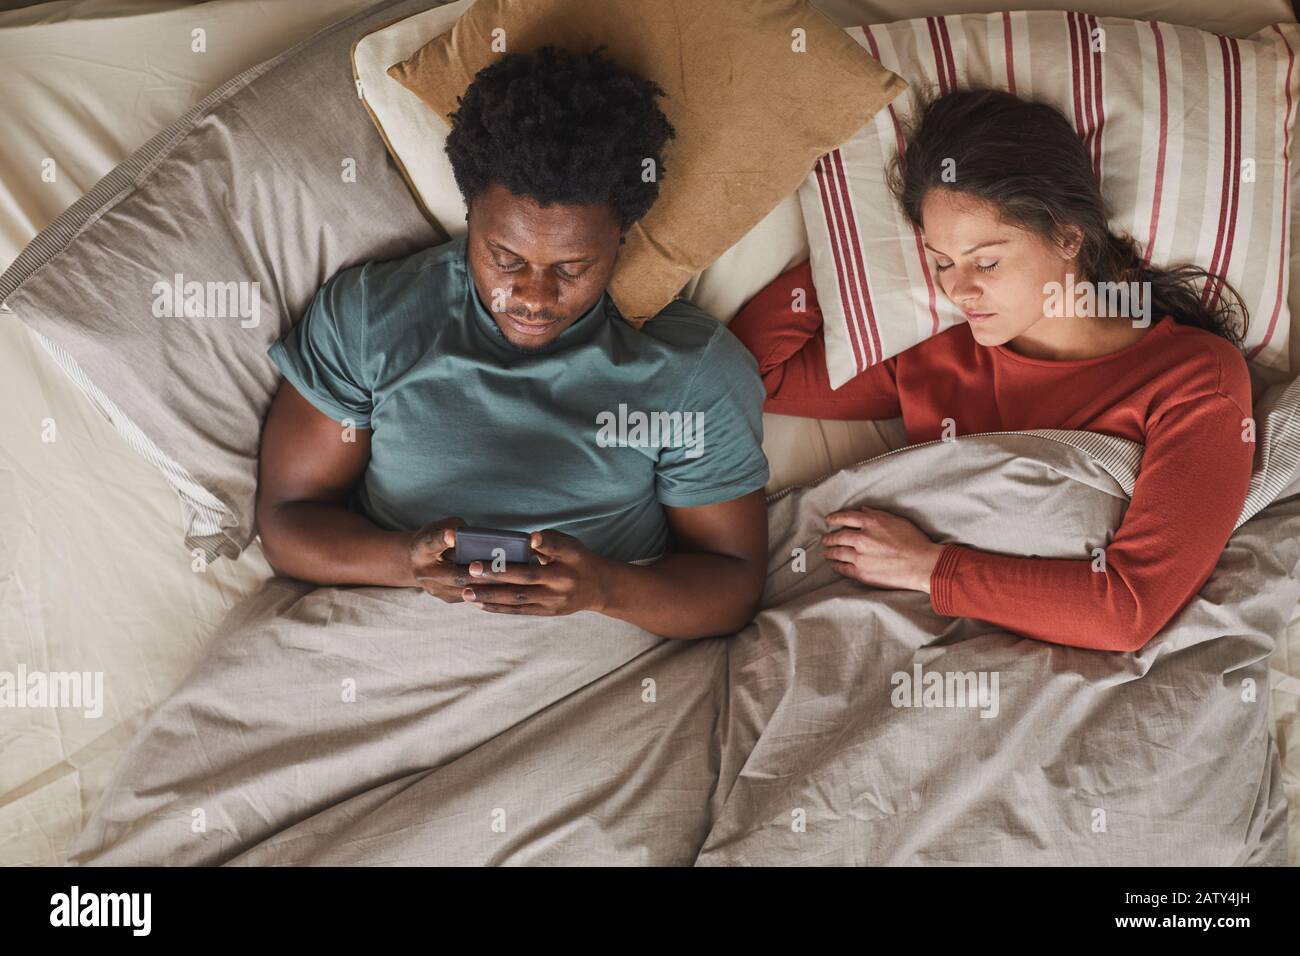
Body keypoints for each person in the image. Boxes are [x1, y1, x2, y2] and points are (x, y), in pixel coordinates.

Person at [255, 45, 771, 639]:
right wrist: (403, 562)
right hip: (385, 629)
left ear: (622, 237)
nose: (533, 297)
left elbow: (732, 584)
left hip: (591, 651)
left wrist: (602, 587)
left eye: (573, 268)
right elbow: (287, 521)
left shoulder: (691, 372)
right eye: (505, 258)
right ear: (471, 213)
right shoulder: (375, 318)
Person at [728, 88, 1256, 652]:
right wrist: (853, 260)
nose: (960, 289)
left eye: (987, 261)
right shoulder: (935, 357)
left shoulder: (1192, 378)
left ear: (1068, 235)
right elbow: (749, 376)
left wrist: (930, 567)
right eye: (941, 263)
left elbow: (1128, 611)